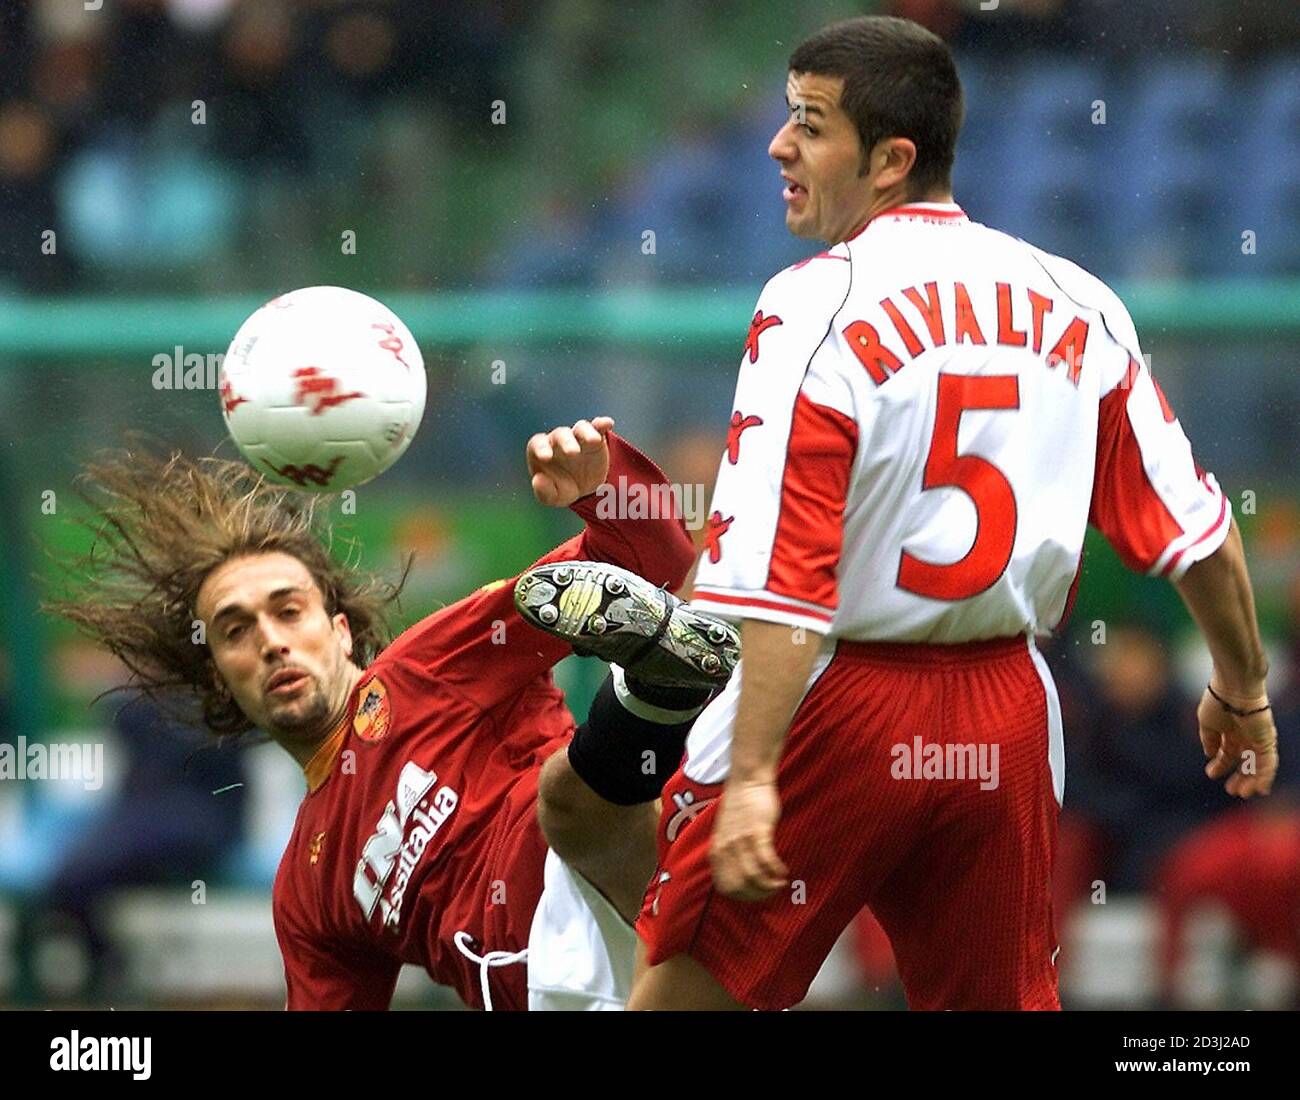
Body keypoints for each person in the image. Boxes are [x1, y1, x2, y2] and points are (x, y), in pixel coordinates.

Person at [618, 15, 1278, 1011]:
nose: (778, 145)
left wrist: (753, 773)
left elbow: (785, 580)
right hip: (1005, 711)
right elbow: (1198, 532)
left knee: (684, 998)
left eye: (810, 124)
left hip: (835, 701)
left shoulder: (811, 305)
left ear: (891, 159)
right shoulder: (1079, 298)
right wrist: (1242, 687)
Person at [46, 417, 738, 1010]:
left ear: (340, 631)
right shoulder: (306, 892)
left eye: (289, 610)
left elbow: (654, 556)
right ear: (221, 682)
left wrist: (604, 483)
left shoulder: (430, 665)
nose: (272, 640)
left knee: (565, 798)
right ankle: (656, 692)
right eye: (235, 630)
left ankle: (660, 689)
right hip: (548, 997)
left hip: (624, 894)